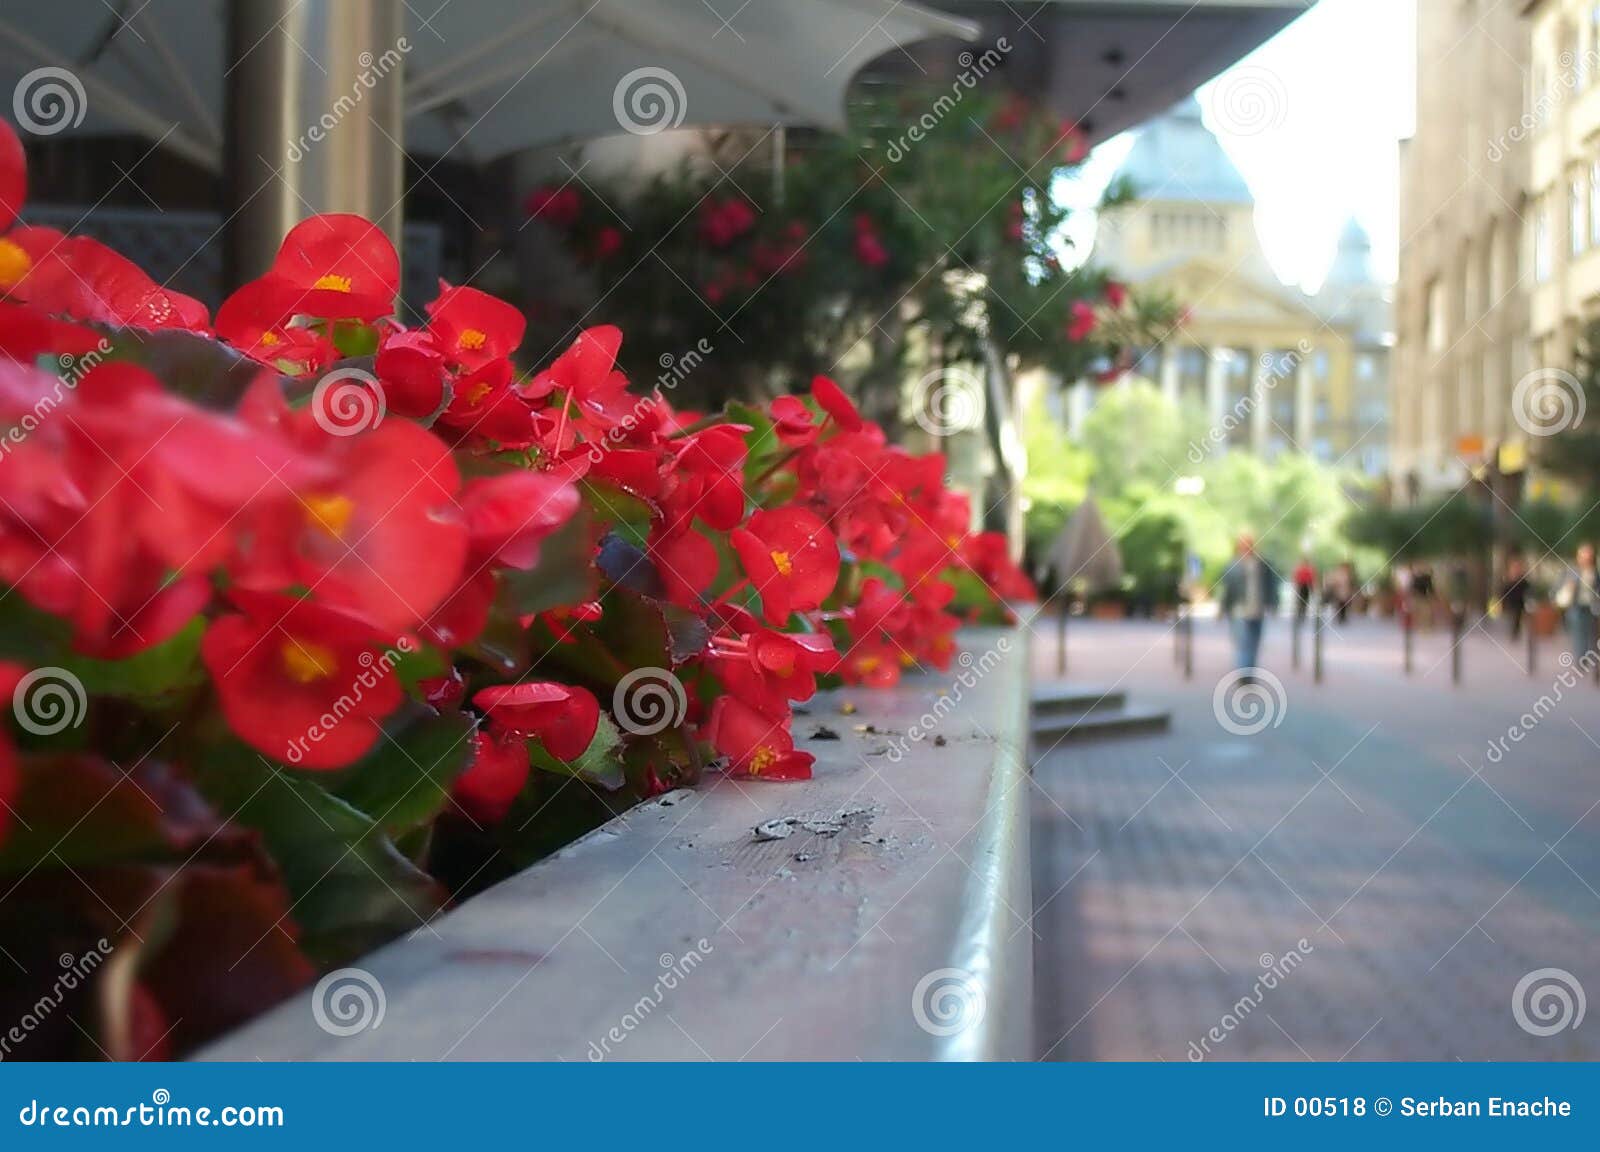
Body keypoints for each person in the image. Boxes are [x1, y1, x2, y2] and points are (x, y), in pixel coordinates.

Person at [1219, 532, 1280, 679]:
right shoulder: (1232, 565)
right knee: (1243, 643)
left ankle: (1249, 673)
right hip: (1239, 611)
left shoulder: (1262, 563)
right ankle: (1243, 675)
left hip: (1257, 610)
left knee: (1255, 643)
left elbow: (1271, 585)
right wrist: (1222, 609)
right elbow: (1227, 589)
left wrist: (1274, 604)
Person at [1555, 543, 1600, 663]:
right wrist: (1569, 586)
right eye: (1583, 555)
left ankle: (1586, 657)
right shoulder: (1572, 570)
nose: (1586, 558)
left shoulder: (1595, 572)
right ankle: (1581, 659)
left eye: (1588, 555)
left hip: (1590, 606)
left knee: (1589, 632)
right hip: (1575, 606)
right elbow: (1559, 586)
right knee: (1578, 633)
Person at [1500, 555, 1529, 641]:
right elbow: (1504, 592)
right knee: (1511, 619)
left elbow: (1527, 590)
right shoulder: (1508, 580)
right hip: (1510, 603)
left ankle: (1515, 634)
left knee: (1516, 619)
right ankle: (1512, 634)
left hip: (1519, 604)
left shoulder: (1523, 581)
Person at [1292, 555, 1316, 620]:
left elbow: (1311, 579)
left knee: (1302, 600)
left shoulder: (1302, 569)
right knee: (1303, 600)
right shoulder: (1307, 569)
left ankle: (1301, 612)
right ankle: (1301, 612)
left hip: (1304, 586)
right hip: (1303, 586)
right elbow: (1311, 579)